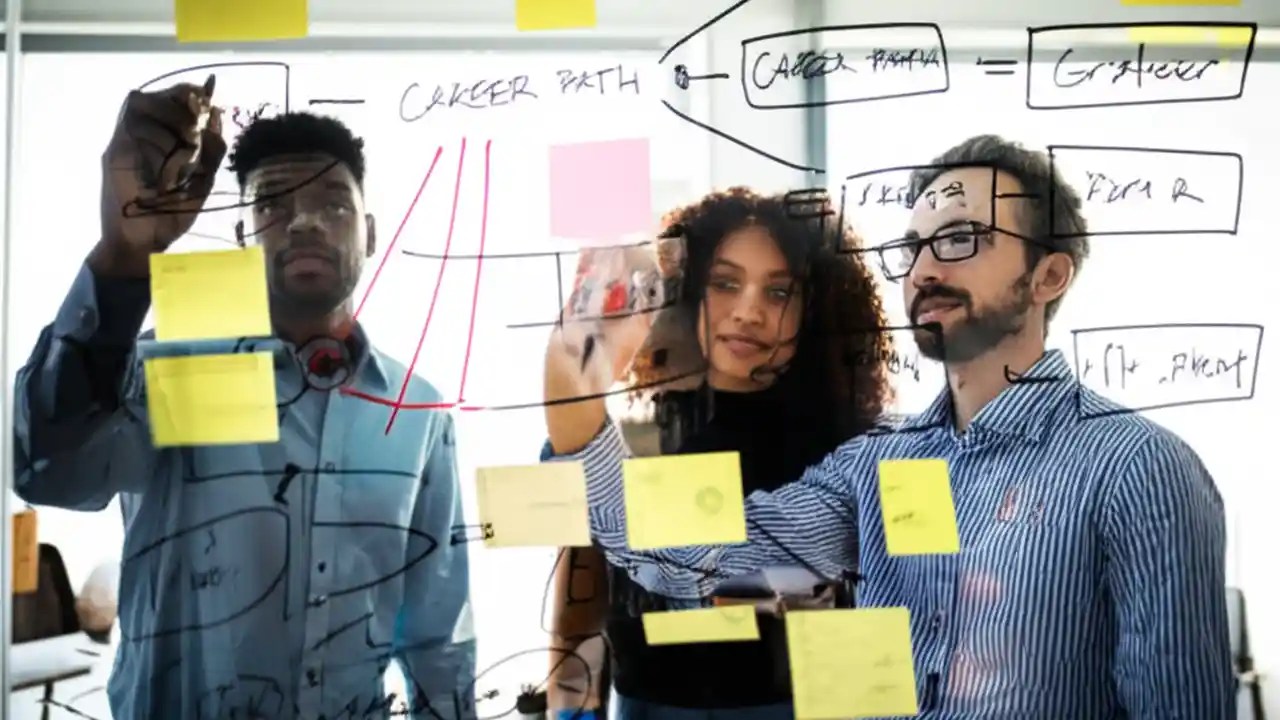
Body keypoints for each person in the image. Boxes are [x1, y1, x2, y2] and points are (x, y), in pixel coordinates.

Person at [544, 136, 1235, 718]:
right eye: (914, 248)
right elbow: (687, 556)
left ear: (1049, 274)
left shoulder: (1137, 466)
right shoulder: (876, 466)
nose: (926, 270)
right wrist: (574, 373)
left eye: (961, 239)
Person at [13, 77, 476, 719]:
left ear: (370, 234)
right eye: (274, 204)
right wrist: (123, 257)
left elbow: (437, 632)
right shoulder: (161, 368)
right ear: (241, 232)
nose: (306, 222)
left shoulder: (417, 413)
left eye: (334, 204)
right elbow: (46, 473)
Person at [541, 188, 895, 719]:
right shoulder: (628, 437)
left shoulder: (853, 450)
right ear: (688, 292)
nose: (748, 312)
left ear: (817, 309)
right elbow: (580, 608)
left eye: (779, 292)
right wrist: (569, 711)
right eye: (725, 283)